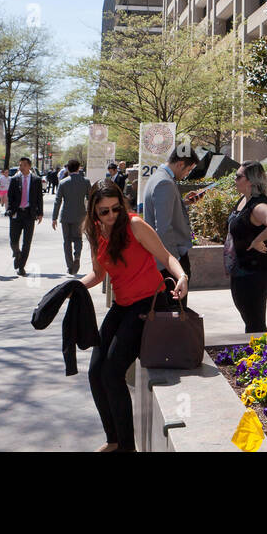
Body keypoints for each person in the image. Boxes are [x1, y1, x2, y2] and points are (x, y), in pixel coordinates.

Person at [77, 178, 187, 452]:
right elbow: (98, 273)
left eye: (116, 208)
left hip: (148, 304)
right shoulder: (95, 232)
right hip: (122, 305)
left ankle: (127, 448)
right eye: (105, 211)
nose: (112, 215)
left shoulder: (135, 225)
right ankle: (113, 439)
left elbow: (166, 256)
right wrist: (72, 287)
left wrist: (182, 276)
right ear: (94, 212)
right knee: (95, 372)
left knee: (113, 372)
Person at [227, 161, 267, 334]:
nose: (235, 179)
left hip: (254, 271)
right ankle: (257, 353)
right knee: (249, 316)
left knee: (255, 321)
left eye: (238, 176)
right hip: (242, 268)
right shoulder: (244, 200)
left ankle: (260, 356)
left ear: (250, 180)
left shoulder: (258, 205)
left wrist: (258, 240)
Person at [144, 148, 198, 307]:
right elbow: (163, 227)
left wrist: (184, 203)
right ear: (180, 164)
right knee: (173, 314)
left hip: (167, 259)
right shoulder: (165, 182)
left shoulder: (160, 177)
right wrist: (174, 264)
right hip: (171, 261)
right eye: (188, 170)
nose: (187, 174)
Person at [7, 156, 44, 276]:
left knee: (27, 242)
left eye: (23, 165)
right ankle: (17, 254)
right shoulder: (14, 179)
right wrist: (9, 210)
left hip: (29, 214)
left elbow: (39, 198)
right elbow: (10, 196)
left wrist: (40, 213)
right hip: (16, 214)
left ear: (29, 166)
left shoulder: (36, 180)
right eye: (20, 165)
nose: (21, 167)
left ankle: (21, 266)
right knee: (13, 240)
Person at [51, 159, 89, 275]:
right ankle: (77, 256)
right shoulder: (85, 182)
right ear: (79, 168)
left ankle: (70, 265)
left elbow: (58, 201)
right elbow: (91, 198)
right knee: (78, 238)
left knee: (66, 241)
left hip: (66, 215)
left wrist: (54, 217)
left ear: (68, 168)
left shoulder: (63, 182)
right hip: (80, 215)